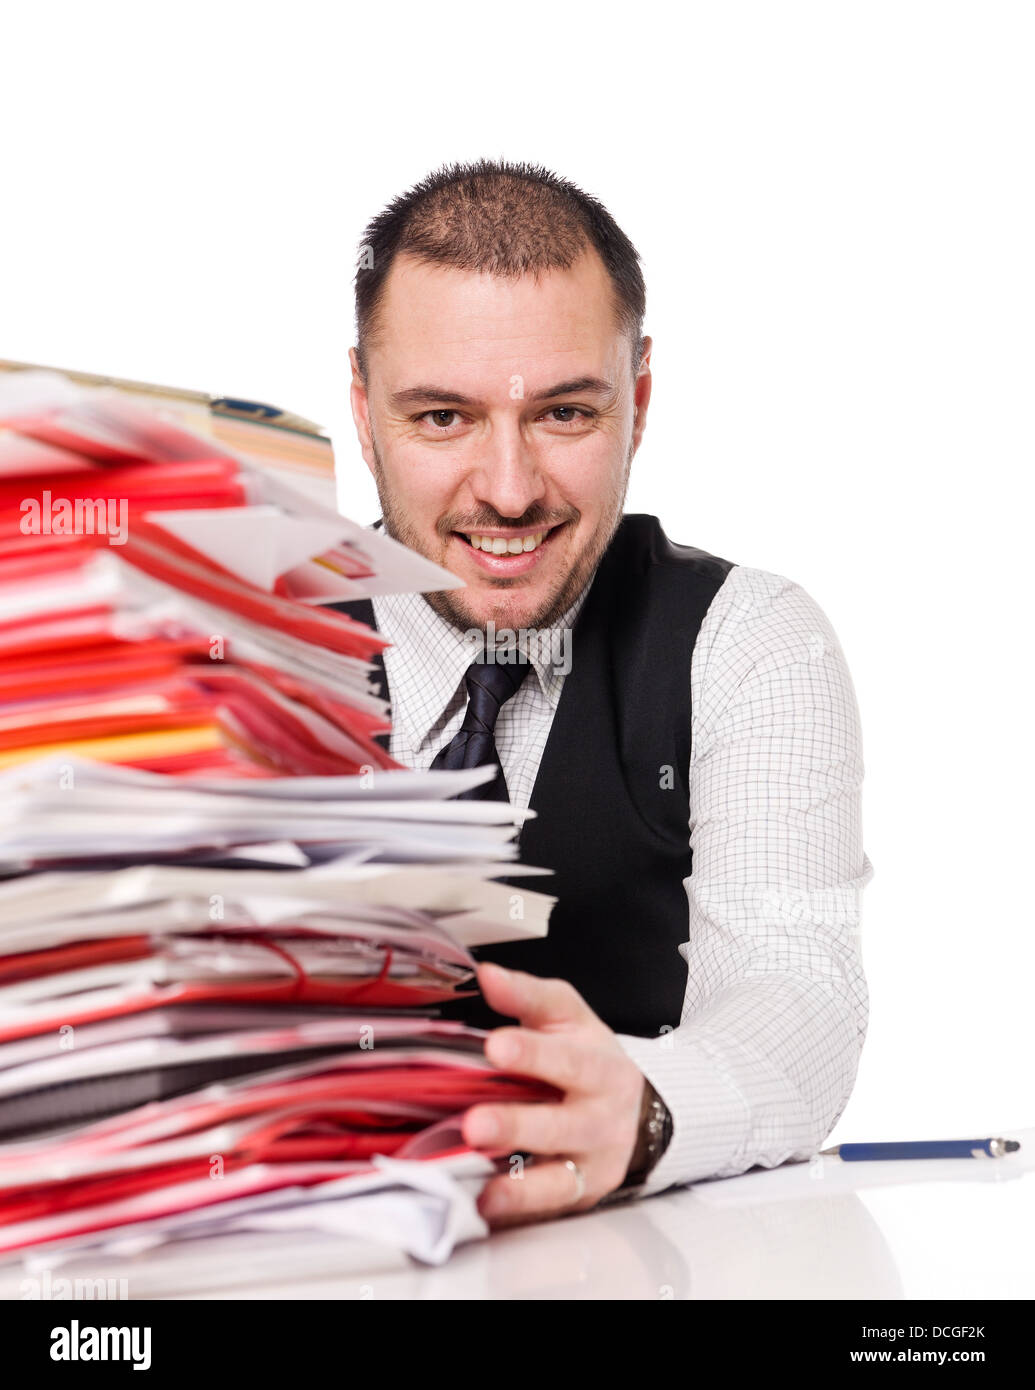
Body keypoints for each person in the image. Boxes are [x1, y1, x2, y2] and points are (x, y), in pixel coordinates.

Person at [340, 160, 872, 1228]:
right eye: (441, 416)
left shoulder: (746, 641)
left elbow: (798, 990)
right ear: (362, 409)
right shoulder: (226, 654)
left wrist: (648, 1112)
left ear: (638, 400)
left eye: (565, 414)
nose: (507, 490)